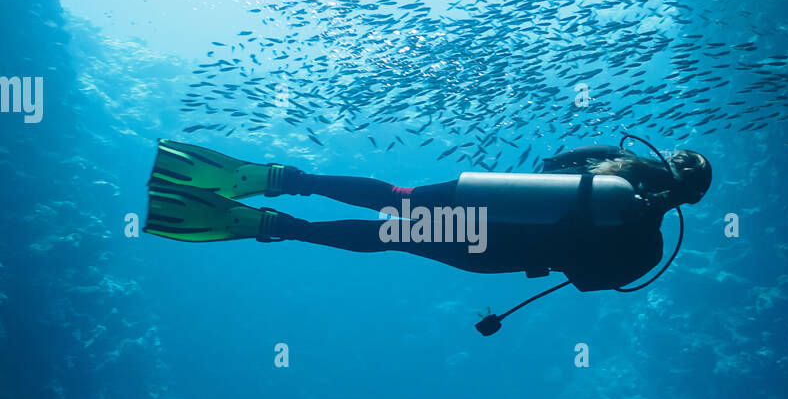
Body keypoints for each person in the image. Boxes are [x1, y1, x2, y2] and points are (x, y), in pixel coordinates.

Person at [144, 139, 711, 298]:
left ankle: (287, 180)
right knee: (393, 235)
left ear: (670, 162)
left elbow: (551, 162)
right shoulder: (651, 247)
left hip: (485, 199)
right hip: (497, 252)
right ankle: (276, 226)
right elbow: (587, 280)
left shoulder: (620, 166)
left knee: (395, 196)